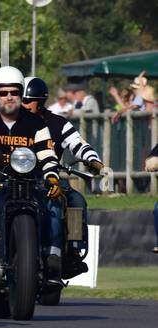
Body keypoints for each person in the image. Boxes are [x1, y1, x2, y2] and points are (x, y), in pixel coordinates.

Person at [0, 67, 62, 281]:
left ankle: (52, 254)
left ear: (21, 94)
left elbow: (48, 154)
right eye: (3, 92)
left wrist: (51, 176)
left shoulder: (36, 123)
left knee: (55, 200)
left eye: (14, 92)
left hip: (31, 184)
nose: (9, 97)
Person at [23, 76, 107, 279]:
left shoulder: (58, 123)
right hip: (16, 180)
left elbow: (78, 144)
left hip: (48, 179)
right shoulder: (10, 122)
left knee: (76, 200)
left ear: (40, 101)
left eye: (27, 101)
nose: (22, 105)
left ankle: (74, 252)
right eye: (21, 100)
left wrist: (92, 159)